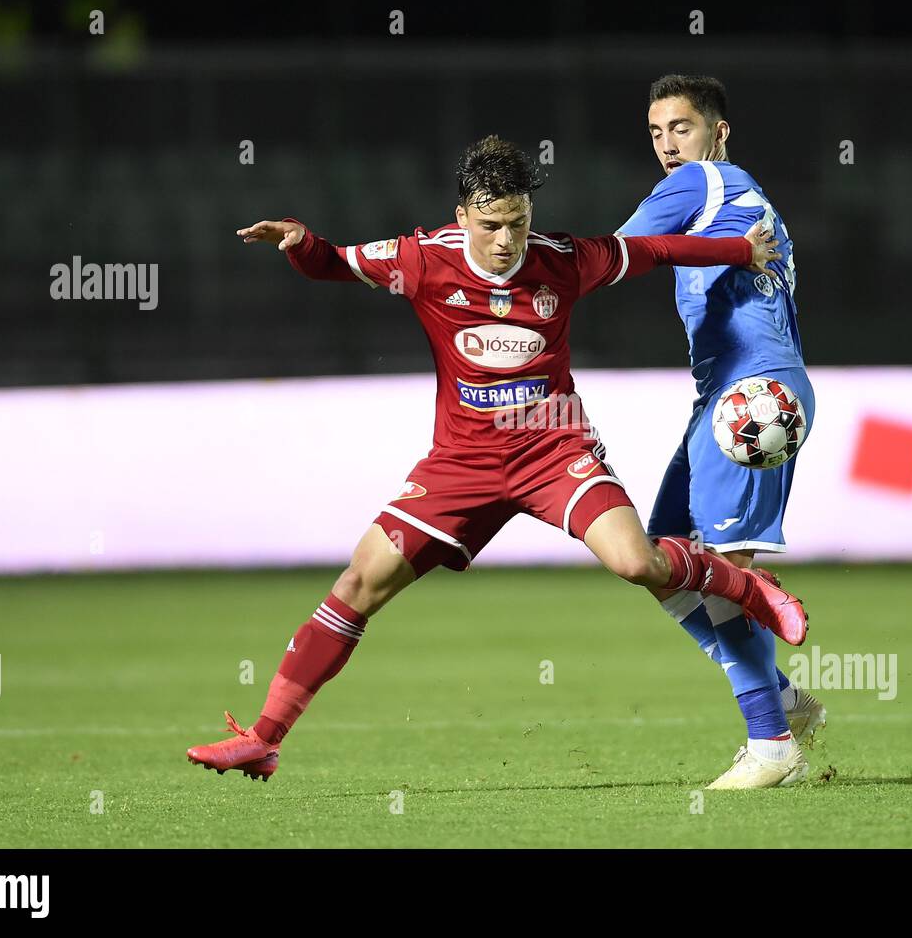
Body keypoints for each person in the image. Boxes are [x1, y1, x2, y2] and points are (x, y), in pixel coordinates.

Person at [186, 135, 806, 781]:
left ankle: (745, 586)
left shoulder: (565, 259)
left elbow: (652, 251)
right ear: (462, 219)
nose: (506, 241)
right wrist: (301, 242)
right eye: (490, 226)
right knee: (357, 584)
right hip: (462, 462)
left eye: (517, 223)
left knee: (637, 562)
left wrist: (739, 249)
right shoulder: (422, 258)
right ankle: (264, 737)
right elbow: (334, 264)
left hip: (553, 445)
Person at [616, 75, 825, 790]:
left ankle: (771, 749)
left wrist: (522, 273)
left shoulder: (704, 182)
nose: (668, 145)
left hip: (752, 393)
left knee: (722, 564)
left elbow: (614, 255)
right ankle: (781, 698)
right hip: (739, 394)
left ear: (717, 131)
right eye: (655, 133)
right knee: (654, 556)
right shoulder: (745, 196)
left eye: (680, 127)